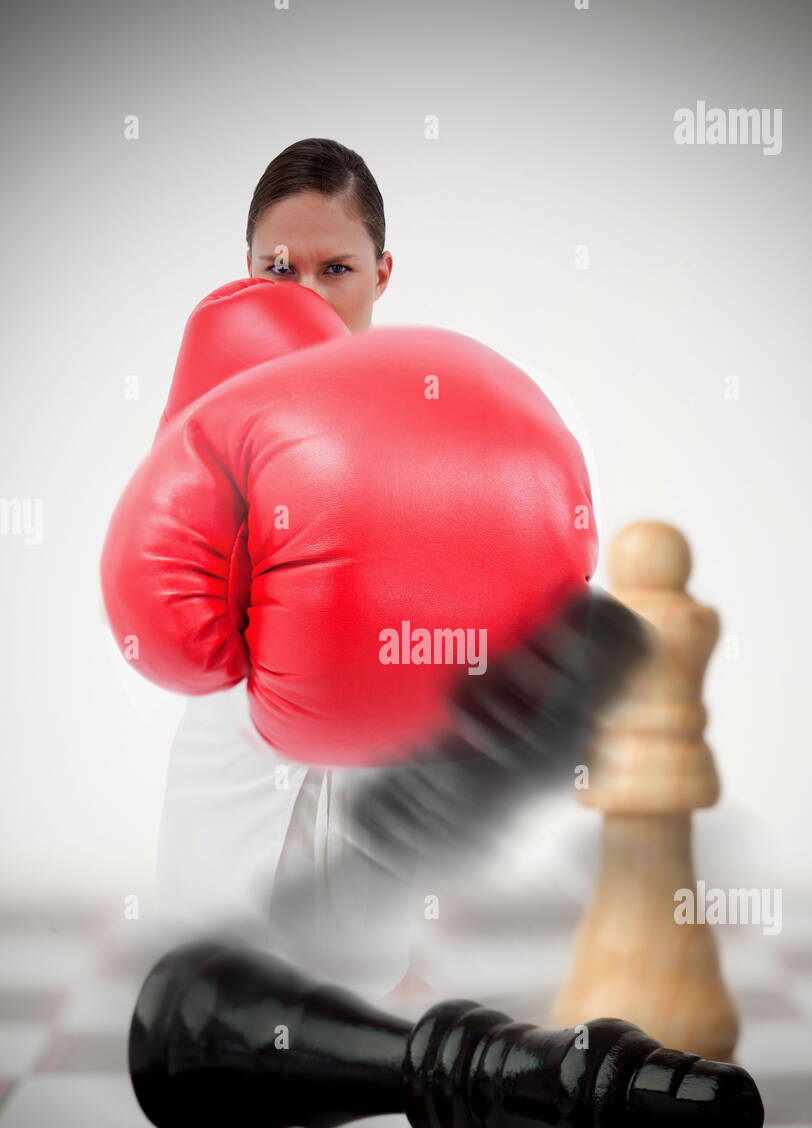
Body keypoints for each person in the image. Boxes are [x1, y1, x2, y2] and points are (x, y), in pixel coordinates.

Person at [151, 137, 603, 1006]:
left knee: (388, 1037)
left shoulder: (431, 414)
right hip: (226, 800)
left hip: (378, 830)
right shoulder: (209, 408)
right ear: (243, 268)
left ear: (384, 272)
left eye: (337, 268)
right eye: (278, 269)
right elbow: (162, 607)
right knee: (203, 1041)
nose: (308, 294)